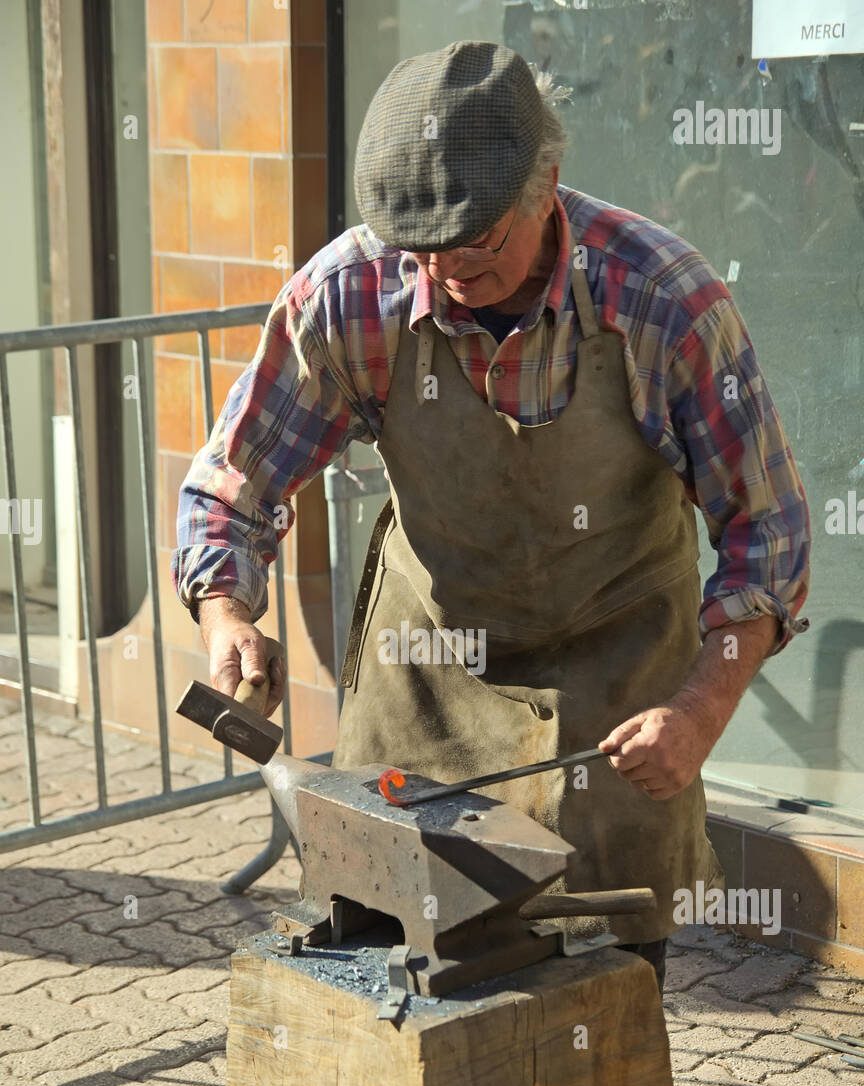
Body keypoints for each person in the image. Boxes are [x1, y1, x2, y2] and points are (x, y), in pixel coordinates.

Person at [171, 42, 810, 995]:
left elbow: (768, 528)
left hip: (618, 675)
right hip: (427, 673)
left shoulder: (664, 299)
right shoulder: (350, 293)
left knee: (602, 987)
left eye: (475, 244)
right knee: (394, 980)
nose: (447, 271)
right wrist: (227, 613)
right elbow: (236, 482)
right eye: (423, 250)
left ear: (545, 186)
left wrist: (700, 710)